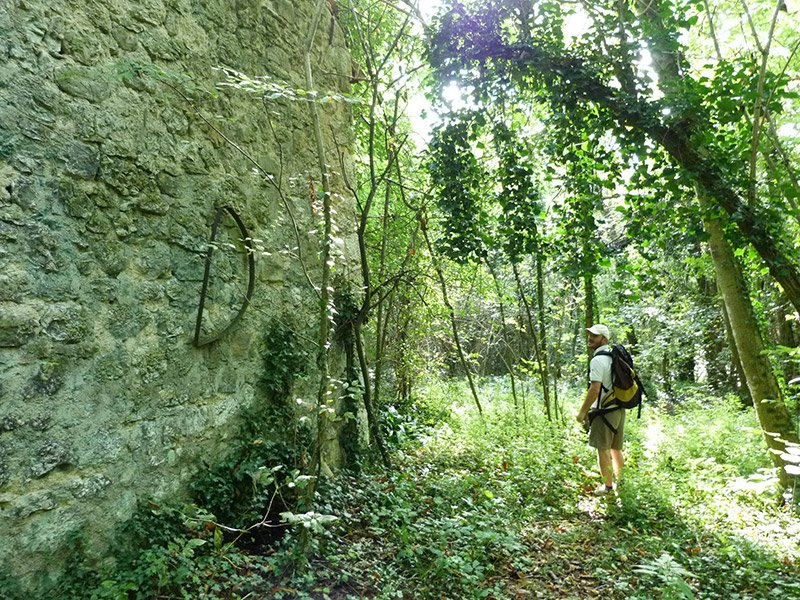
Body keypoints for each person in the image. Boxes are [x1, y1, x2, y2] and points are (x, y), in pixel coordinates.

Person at [576, 324, 625, 495]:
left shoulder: (597, 360)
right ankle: (622, 483)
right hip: (619, 408)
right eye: (589, 334)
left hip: (604, 412)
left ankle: (608, 487)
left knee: (602, 449)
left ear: (604, 339)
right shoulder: (614, 357)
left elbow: (595, 389)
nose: (590, 338)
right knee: (616, 448)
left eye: (595, 336)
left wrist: (583, 412)